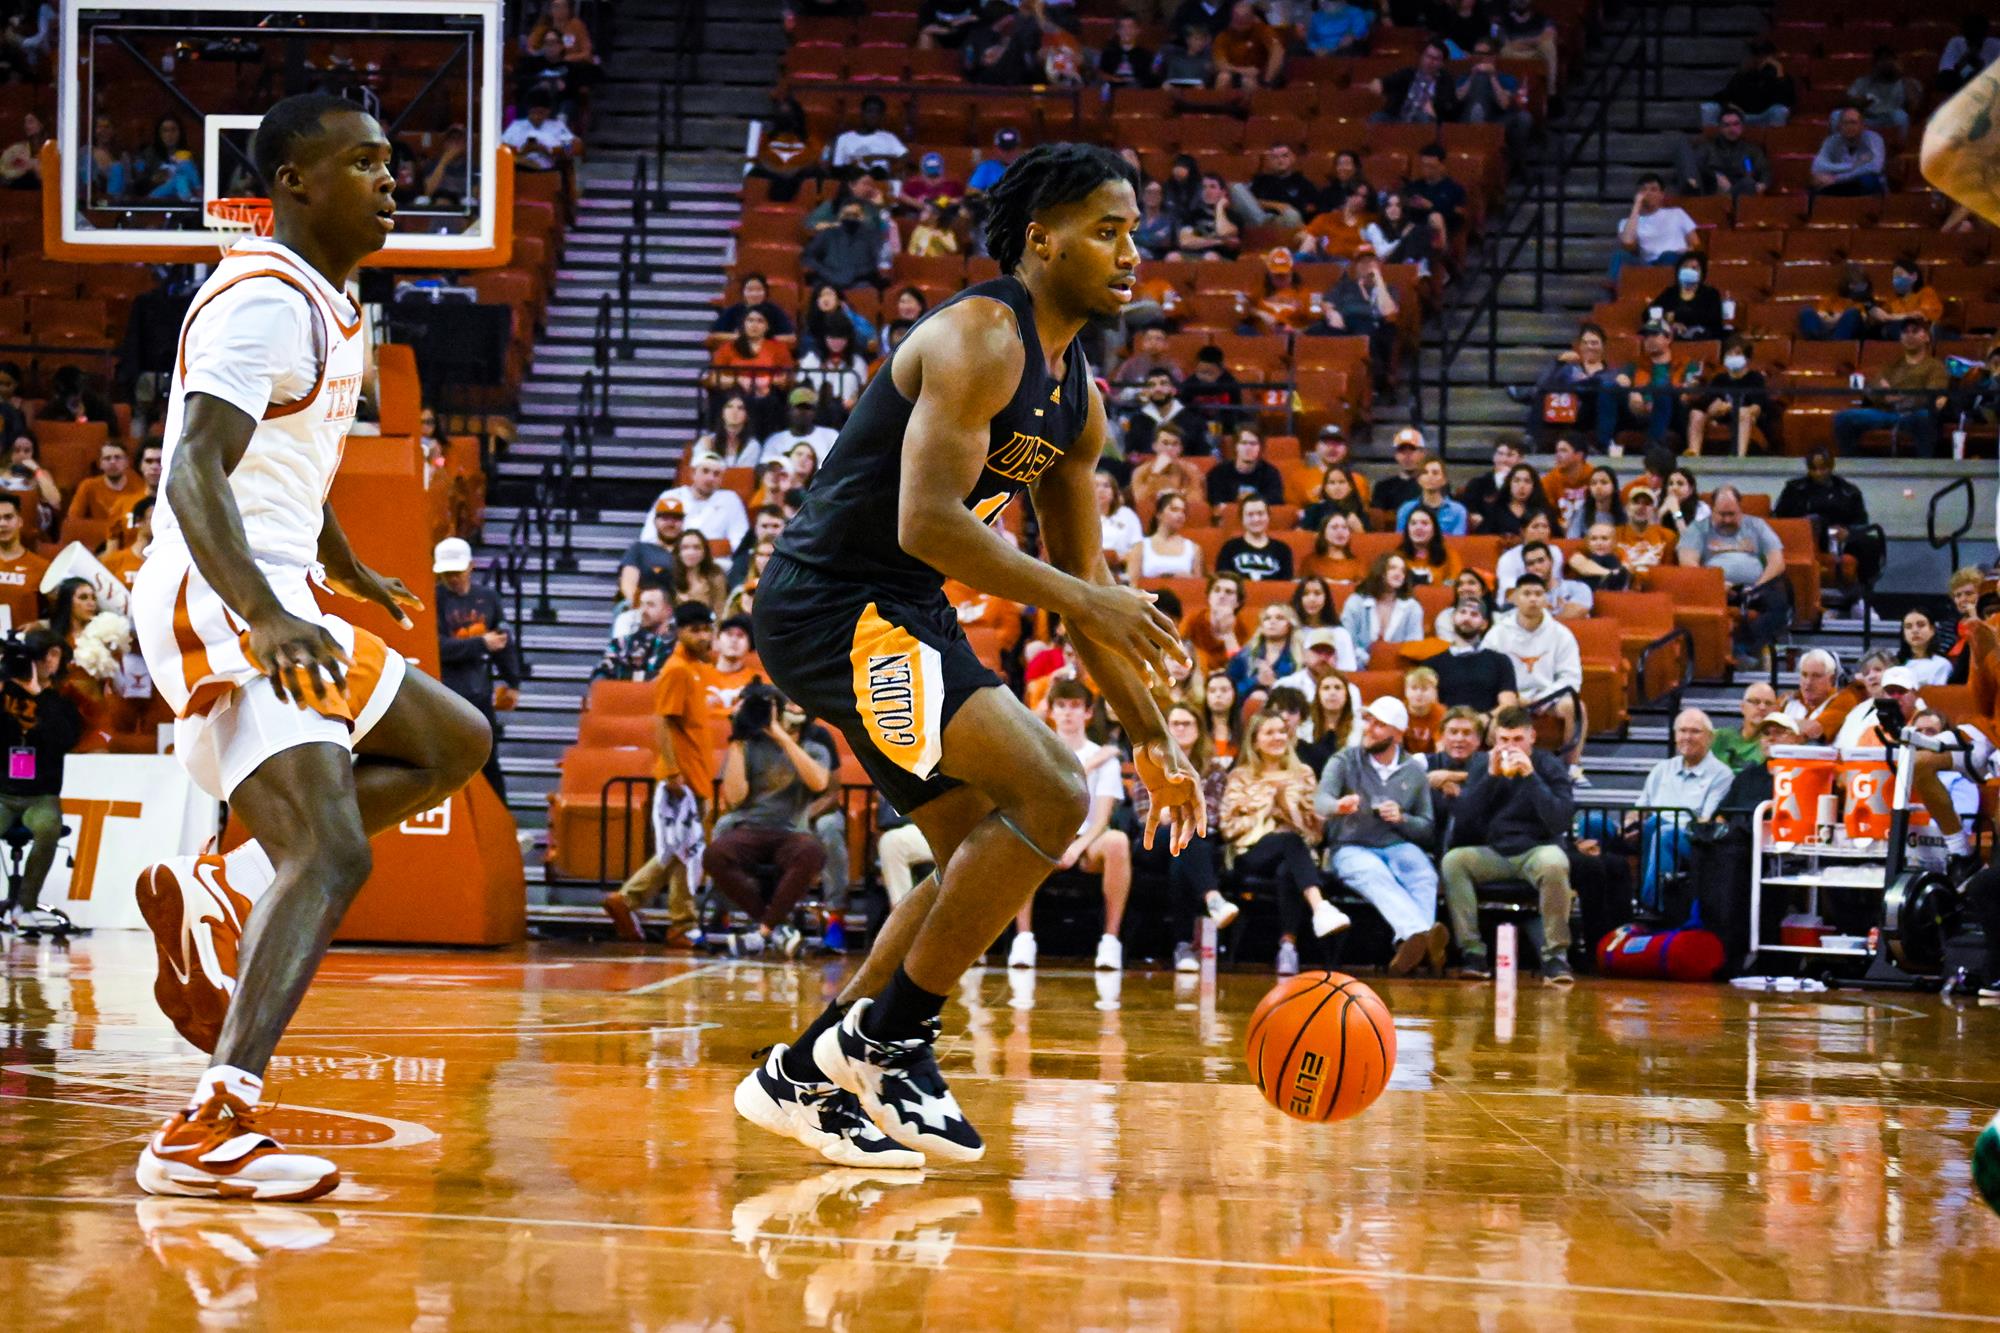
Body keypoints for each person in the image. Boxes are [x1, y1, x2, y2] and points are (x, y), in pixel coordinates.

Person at [737, 144, 1203, 1169]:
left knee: (974, 857)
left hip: (902, 609)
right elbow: (925, 522)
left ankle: (805, 1075)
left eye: (1135, 231)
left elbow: (1089, 611)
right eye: (1106, 230)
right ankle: (892, 1040)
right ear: (1042, 240)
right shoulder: (980, 335)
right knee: (1048, 792)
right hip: (834, 602)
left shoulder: (1076, 401)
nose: (1131, 252)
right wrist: (1088, 596)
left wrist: (1154, 740)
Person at [126, 94, 492, 1201]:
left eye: (392, 162)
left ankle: (225, 882)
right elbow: (193, 466)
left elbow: (288, 452)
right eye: (365, 163)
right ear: (292, 180)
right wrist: (269, 611)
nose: (394, 181)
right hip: (223, 587)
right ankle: (207, 1125)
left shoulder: (333, 302)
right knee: (333, 853)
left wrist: (335, 563)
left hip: (282, 581)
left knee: (453, 740)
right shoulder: (262, 300)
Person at [601, 601, 717, 948]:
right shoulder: (677, 669)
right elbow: (662, 722)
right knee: (686, 849)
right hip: (683, 775)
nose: (702, 636)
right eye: (694, 630)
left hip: (696, 771)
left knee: (681, 848)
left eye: (706, 629)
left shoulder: (696, 667)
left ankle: (628, 900)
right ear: (679, 632)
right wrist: (672, 772)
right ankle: (679, 922)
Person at [1441, 705, 1577, 984]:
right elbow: (1463, 819)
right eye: (1504, 740)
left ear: (1532, 738)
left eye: (1517, 740)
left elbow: (1559, 820)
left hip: (1536, 850)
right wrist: (1490, 778)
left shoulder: (1550, 765)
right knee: (1454, 861)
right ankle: (1473, 954)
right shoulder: (1481, 765)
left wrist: (1531, 777)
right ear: (1494, 741)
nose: (1509, 747)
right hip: (1494, 852)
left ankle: (1555, 957)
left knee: (1554, 862)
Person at [1006, 679, 1135, 971]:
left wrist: (1076, 847)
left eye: (1075, 706)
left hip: (1088, 839)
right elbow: (1036, 809)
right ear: (1051, 711)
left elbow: (1101, 819)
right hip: (1045, 835)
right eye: (1061, 706)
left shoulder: (1105, 759)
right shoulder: (1037, 753)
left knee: (1117, 842)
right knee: (1019, 839)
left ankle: (1110, 941)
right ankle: (1024, 938)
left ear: (1088, 713)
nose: (1068, 713)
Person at [1316, 695, 1445, 975]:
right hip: (1350, 846)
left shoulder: (1414, 771)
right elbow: (1320, 801)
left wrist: (1403, 818)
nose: (1369, 728)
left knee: (1424, 873)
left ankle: (1413, 945)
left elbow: (1426, 827)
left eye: (1379, 724)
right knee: (1374, 873)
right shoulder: (1345, 760)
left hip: (1396, 843)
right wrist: (1338, 806)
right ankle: (1420, 935)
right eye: (1368, 721)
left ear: (1397, 734)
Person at [705, 685, 834, 959]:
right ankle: (777, 929)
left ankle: (762, 932)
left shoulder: (814, 746)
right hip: (750, 827)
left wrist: (781, 736)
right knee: (715, 854)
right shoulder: (748, 745)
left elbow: (819, 782)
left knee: (812, 852)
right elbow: (734, 798)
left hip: (792, 831)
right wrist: (737, 738)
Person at [1222, 707, 1348, 976]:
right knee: (1289, 841)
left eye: (1282, 731)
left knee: (1288, 866)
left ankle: (1288, 947)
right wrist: (1269, 807)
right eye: (1269, 732)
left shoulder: (1303, 774)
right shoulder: (1240, 776)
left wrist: (1290, 811)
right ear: (1255, 741)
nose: (1278, 737)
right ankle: (1320, 908)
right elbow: (1228, 828)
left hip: (1296, 856)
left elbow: (1315, 833)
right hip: (1252, 852)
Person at [0, 626, 80, 933]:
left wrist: (39, 696)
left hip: (41, 795)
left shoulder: (59, 702)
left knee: (48, 827)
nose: (52, 661)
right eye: (46, 655)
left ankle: (25, 904)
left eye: (56, 654)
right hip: (2, 791)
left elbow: (64, 739)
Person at [432, 537, 521, 804]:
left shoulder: (489, 598)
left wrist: (513, 681)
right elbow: (436, 647)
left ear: (471, 566)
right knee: (449, 759)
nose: (453, 579)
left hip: (480, 691)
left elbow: (503, 642)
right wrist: (480, 643)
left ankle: (500, 819)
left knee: (489, 760)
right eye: (447, 574)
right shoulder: (434, 599)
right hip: (446, 692)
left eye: (457, 572)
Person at [1626, 709, 1734, 912]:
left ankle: (1651, 905)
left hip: (1692, 837)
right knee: (1594, 823)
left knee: (1663, 831)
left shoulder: (1722, 774)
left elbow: (1705, 820)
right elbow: (1639, 808)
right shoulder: (1662, 768)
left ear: (1710, 738)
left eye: (1695, 731)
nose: (1687, 737)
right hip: (1652, 829)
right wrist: (1629, 825)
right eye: (1682, 731)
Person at [1678, 484, 1790, 672]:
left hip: (1756, 587)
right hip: (1715, 589)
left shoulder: (1757, 525)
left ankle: (1741, 649)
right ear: (1712, 510)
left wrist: (1758, 585)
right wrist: (1716, 584)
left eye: (1732, 514)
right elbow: (1687, 562)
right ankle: (1744, 653)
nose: (1728, 519)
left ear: (1741, 509)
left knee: (1779, 605)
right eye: (1722, 514)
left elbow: (1777, 562)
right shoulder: (1697, 529)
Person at [1483, 575, 1585, 776]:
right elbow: (1486, 672)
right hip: (1510, 697)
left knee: (1575, 706)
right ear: (1515, 598)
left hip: (1547, 698)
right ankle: (1494, 768)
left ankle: (1571, 768)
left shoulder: (1561, 633)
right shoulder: (1497, 633)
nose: (1533, 599)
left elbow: (1571, 678)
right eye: (1527, 594)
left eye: (1538, 594)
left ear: (1546, 599)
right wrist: (1512, 696)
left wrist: (1541, 699)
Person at [1834, 321, 1950, 457]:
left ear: (1926, 337)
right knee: (1843, 418)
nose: (1909, 336)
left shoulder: (1935, 366)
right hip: (1887, 412)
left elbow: (1933, 396)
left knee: (1925, 417)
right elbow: (1872, 388)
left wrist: (1900, 397)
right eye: (1905, 332)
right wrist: (1883, 395)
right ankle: (1852, 466)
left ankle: (1924, 468)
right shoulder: (1892, 365)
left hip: (1914, 414)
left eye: (1915, 331)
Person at [1775, 448, 1882, 588]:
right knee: (1813, 520)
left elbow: (1861, 522)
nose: (1818, 473)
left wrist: (1848, 532)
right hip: (1804, 537)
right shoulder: (1794, 489)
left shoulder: (1849, 492)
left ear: (1831, 466)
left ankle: (1860, 596)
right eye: (1813, 469)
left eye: (1823, 468)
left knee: (1869, 542)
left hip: (1839, 538)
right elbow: (1780, 518)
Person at [1526, 324, 1621, 447]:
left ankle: (1525, 394)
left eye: (1594, 343)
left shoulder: (1612, 373)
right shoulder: (1569, 369)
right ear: (1580, 346)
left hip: (1592, 412)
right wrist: (1558, 361)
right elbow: (1543, 384)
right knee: (1543, 394)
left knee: (1596, 384)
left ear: (1603, 346)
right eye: (1585, 343)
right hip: (1567, 409)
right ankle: (1530, 440)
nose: (1589, 347)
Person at [1608, 174, 1700, 291]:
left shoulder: (1677, 213)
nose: (1648, 193)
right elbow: (1627, 243)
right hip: (1647, 265)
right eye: (1644, 189)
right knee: (1619, 256)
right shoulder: (1627, 222)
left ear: (1662, 195)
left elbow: (1696, 243)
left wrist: (1688, 249)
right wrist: (1637, 206)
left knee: (1668, 255)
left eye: (1653, 189)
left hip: (1674, 260)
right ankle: (1613, 297)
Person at [642, 452, 749, 549]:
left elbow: (740, 541)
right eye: (705, 471)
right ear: (692, 473)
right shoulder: (671, 496)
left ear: (721, 479)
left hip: (715, 563)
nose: (710, 478)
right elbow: (648, 537)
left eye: (716, 474)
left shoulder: (730, 500)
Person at [1683, 336, 1769, 458]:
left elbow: (1757, 407)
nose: (1733, 356)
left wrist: (1733, 407)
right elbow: (1708, 404)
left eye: (1737, 353)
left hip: (1745, 416)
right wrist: (1713, 409)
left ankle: (1739, 458)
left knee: (1744, 413)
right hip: (1721, 416)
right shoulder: (1719, 379)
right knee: (1696, 414)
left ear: (1747, 358)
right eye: (1729, 354)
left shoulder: (1755, 378)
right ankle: (1694, 455)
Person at [1432, 598, 1519, 713]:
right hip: (1448, 726)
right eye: (1462, 612)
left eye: (1474, 614)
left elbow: (1508, 705)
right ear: (1453, 618)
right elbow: (1431, 707)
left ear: (1484, 624)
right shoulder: (1434, 664)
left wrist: (1485, 719)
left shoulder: (1500, 661)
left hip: (1488, 725)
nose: (1467, 618)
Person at [1701, 38, 1795, 127]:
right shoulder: (1740, 74)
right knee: (1708, 108)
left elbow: (1786, 101)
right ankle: (1712, 141)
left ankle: (1774, 142)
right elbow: (1720, 96)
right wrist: (1729, 106)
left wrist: (1779, 71)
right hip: (1736, 116)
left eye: (1764, 56)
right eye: (1757, 56)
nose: (1760, 60)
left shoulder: (1778, 75)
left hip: (1763, 117)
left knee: (1780, 111)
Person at [591, 582, 675, 681]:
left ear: (668, 611)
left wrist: (630, 676)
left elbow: (669, 678)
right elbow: (601, 673)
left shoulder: (677, 645)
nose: (643, 610)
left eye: (650, 605)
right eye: (642, 605)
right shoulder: (623, 643)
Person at [1678, 107, 1770, 197]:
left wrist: (1763, 184)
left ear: (1742, 127)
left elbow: (1764, 170)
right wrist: (1715, 176)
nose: (1732, 129)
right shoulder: (1708, 147)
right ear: (1720, 128)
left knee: (1749, 183)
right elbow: (1695, 166)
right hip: (1715, 192)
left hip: (1742, 190)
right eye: (1727, 125)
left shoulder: (1751, 150)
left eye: (1736, 124)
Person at [1342, 553, 1423, 654]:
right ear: (1379, 571)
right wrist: (1367, 661)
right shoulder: (1356, 602)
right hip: (1358, 665)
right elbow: (1346, 642)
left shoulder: (1412, 607)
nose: (1399, 574)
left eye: (1403, 571)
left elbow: (1414, 645)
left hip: (1399, 665)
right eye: (1392, 568)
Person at [1370, 39, 1461, 126]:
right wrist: (1379, 82)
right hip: (1399, 118)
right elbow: (1388, 81)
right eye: (1427, 56)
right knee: (1377, 117)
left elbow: (1449, 104)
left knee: (1424, 118)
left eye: (1435, 59)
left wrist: (1435, 108)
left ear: (1442, 63)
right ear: (1422, 56)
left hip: (1424, 121)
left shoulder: (1446, 80)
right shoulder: (1408, 73)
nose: (1430, 61)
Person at [1651, 252, 1726, 342]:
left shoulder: (1710, 293)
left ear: (1702, 273)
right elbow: (1649, 314)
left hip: (1701, 338)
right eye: (1685, 267)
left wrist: (1675, 315)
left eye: (1694, 268)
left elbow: (1711, 319)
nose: (1689, 271)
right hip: (1673, 335)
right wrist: (1671, 324)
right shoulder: (1670, 292)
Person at [1811, 106, 1887, 197]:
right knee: (1817, 184)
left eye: (1853, 123)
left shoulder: (1874, 139)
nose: (1849, 127)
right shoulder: (1831, 141)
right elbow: (1817, 166)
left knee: (1869, 179)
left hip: (1861, 184)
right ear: (1839, 126)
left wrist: (1837, 178)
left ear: (1862, 125)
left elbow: (1874, 167)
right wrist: (1854, 165)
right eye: (1845, 123)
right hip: (1840, 185)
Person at [829, 94, 908, 180]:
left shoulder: (889, 138)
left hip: (879, 183)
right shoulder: (844, 139)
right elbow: (837, 168)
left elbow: (904, 157)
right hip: (852, 184)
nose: (873, 116)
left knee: (878, 171)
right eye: (869, 111)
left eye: (877, 113)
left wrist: (880, 158)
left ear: (882, 117)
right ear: (862, 113)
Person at [1215, 495, 1293, 581]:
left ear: (1268, 516)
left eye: (1260, 514)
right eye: (1250, 515)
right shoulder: (1230, 548)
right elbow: (1222, 581)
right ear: (1242, 518)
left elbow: (1286, 585)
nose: (1256, 519)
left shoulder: (1282, 550)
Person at [0, 492, 47, 629]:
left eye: (8, 517)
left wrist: (40, 625)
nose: (2, 523)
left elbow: (60, 614)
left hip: (23, 645)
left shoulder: (42, 567)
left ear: (20, 521)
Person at [1204, 428, 1285, 507]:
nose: (1248, 448)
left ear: (1260, 448)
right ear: (1236, 447)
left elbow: (1276, 501)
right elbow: (1215, 502)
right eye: (1243, 443)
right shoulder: (1218, 473)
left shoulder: (1270, 473)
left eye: (1253, 444)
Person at [1710, 680, 1779, 772]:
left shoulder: (1775, 745)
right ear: (1742, 707)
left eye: (1768, 703)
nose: (1762, 707)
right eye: (1755, 701)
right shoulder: (1719, 737)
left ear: (1775, 710)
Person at [500, 94, 580, 173]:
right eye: (533, 112)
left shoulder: (558, 127)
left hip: (548, 168)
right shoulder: (517, 125)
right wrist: (521, 150)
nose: (536, 116)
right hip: (518, 165)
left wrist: (549, 150)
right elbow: (503, 145)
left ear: (548, 111)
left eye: (540, 113)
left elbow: (572, 148)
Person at [1395, 452, 1468, 535]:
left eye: (1435, 473)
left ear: (1444, 480)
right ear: (1418, 479)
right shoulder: (1406, 509)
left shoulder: (1458, 511)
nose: (1430, 476)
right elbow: (1400, 540)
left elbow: (1457, 543)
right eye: (1425, 473)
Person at [1848, 47, 1911, 133]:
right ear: (1874, 64)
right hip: (1867, 119)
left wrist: (1901, 75)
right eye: (1881, 61)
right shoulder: (1862, 82)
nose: (1884, 65)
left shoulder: (1904, 83)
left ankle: (1900, 145)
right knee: (1837, 115)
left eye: (1888, 60)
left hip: (1891, 119)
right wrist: (1860, 102)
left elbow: (1913, 107)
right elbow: (1849, 100)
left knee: (1902, 116)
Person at [1898, 609, 1954, 688]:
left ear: (1932, 630)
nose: (1914, 630)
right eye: (1908, 626)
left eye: (1921, 625)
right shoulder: (1896, 664)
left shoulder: (1941, 664)